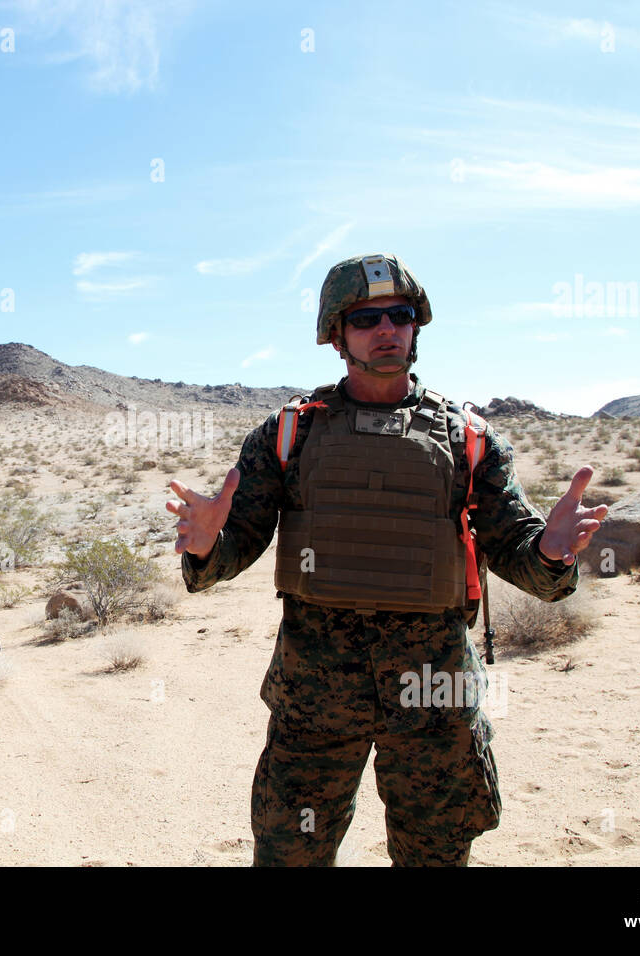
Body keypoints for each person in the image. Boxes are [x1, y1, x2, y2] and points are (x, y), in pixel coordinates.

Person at [167, 254, 607, 866]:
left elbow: (515, 551)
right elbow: (237, 543)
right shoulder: (289, 433)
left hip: (434, 696)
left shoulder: (468, 437)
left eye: (399, 316)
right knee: (290, 854)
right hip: (316, 698)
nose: (386, 329)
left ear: (416, 327)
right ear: (337, 334)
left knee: (437, 857)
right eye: (367, 318)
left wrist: (552, 554)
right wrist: (208, 544)